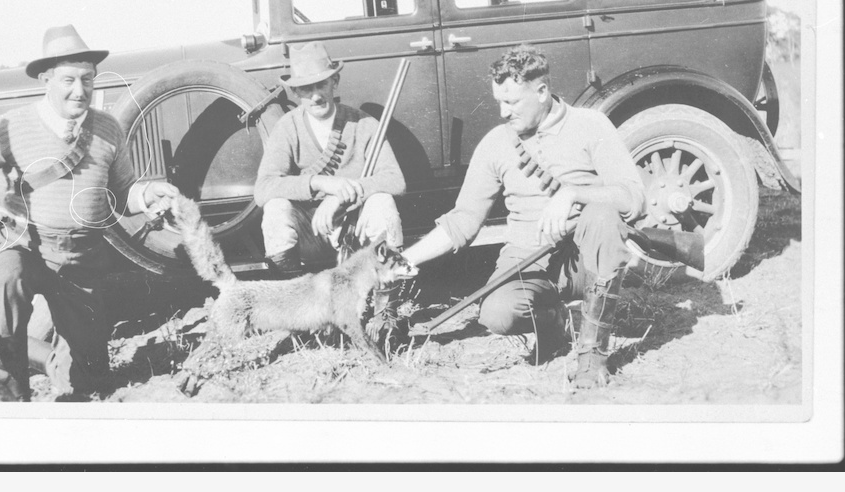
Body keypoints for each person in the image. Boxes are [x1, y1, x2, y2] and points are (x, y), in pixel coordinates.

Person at [0, 24, 177, 401]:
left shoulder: (109, 129)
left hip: (83, 260)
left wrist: (148, 195)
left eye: (87, 79)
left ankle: (59, 362)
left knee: (91, 380)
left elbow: (122, 196)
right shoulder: (10, 128)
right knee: (6, 276)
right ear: (46, 79)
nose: (79, 91)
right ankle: (12, 392)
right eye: (68, 79)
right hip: (26, 247)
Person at [401, 44, 645, 388]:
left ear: (542, 92)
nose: (502, 112)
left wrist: (573, 194)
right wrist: (403, 260)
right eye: (499, 101)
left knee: (603, 215)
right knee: (497, 315)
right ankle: (554, 324)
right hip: (527, 257)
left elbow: (633, 198)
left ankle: (592, 356)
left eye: (512, 102)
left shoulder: (591, 125)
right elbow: (464, 220)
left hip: (585, 261)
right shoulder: (496, 142)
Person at [253, 41, 406, 278]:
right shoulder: (288, 127)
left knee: (383, 203)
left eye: (321, 84)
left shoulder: (363, 124)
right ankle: (295, 305)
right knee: (275, 209)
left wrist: (338, 197)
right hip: (310, 232)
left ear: (334, 82)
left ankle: (385, 309)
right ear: (295, 92)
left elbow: (395, 180)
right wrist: (319, 183)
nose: (315, 96)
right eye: (305, 88)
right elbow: (263, 188)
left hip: (356, 231)